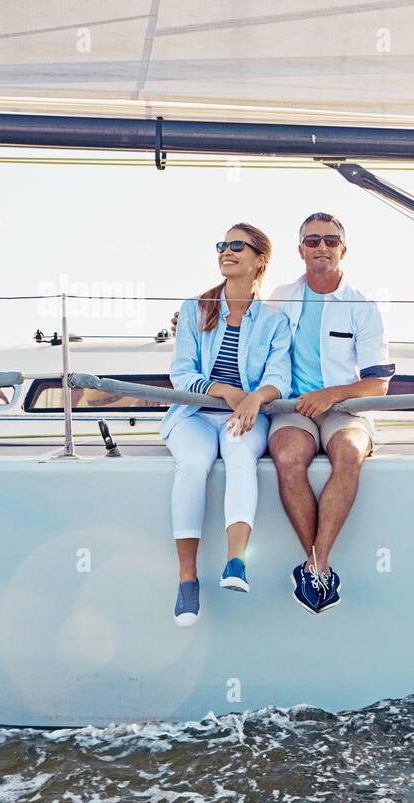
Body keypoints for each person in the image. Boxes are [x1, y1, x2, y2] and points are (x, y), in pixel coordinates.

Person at [161, 223, 292, 627]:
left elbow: (280, 378)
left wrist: (252, 398)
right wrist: (225, 391)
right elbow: (181, 373)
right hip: (194, 415)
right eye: (222, 245)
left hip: (246, 416)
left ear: (259, 261)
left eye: (237, 245)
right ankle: (187, 579)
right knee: (194, 465)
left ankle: (236, 563)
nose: (226, 251)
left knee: (240, 459)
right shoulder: (194, 308)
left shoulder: (273, 320)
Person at [266, 212, 394, 615]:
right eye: (313, 240)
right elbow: (246, 336)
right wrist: (197, 322)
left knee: (350, 454)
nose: (322, 246)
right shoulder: (279, 298)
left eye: (330, 240)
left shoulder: (363, 306)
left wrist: (331, 395)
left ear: (343, 248)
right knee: (287, 458)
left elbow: (377, 384)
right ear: (300, 248)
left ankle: (314, 566)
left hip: (345, 408)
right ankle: (319, 566)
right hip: (292, 408)